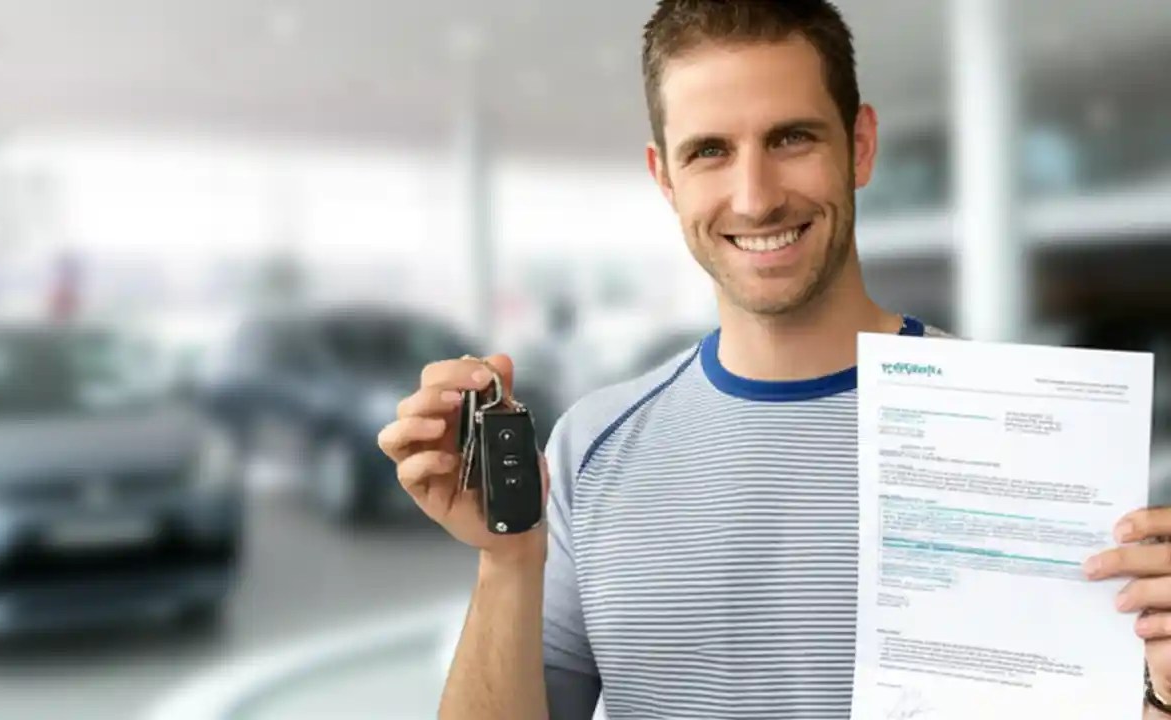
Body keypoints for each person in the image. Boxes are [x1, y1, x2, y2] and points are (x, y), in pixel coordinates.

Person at [377, 1, 1171, 717]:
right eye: (709, 151)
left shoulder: (1031, 438)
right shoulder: (588, 450)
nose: (755, 197)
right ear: (665, 178)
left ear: (860, 146)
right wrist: (508, 563)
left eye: (791, 138)